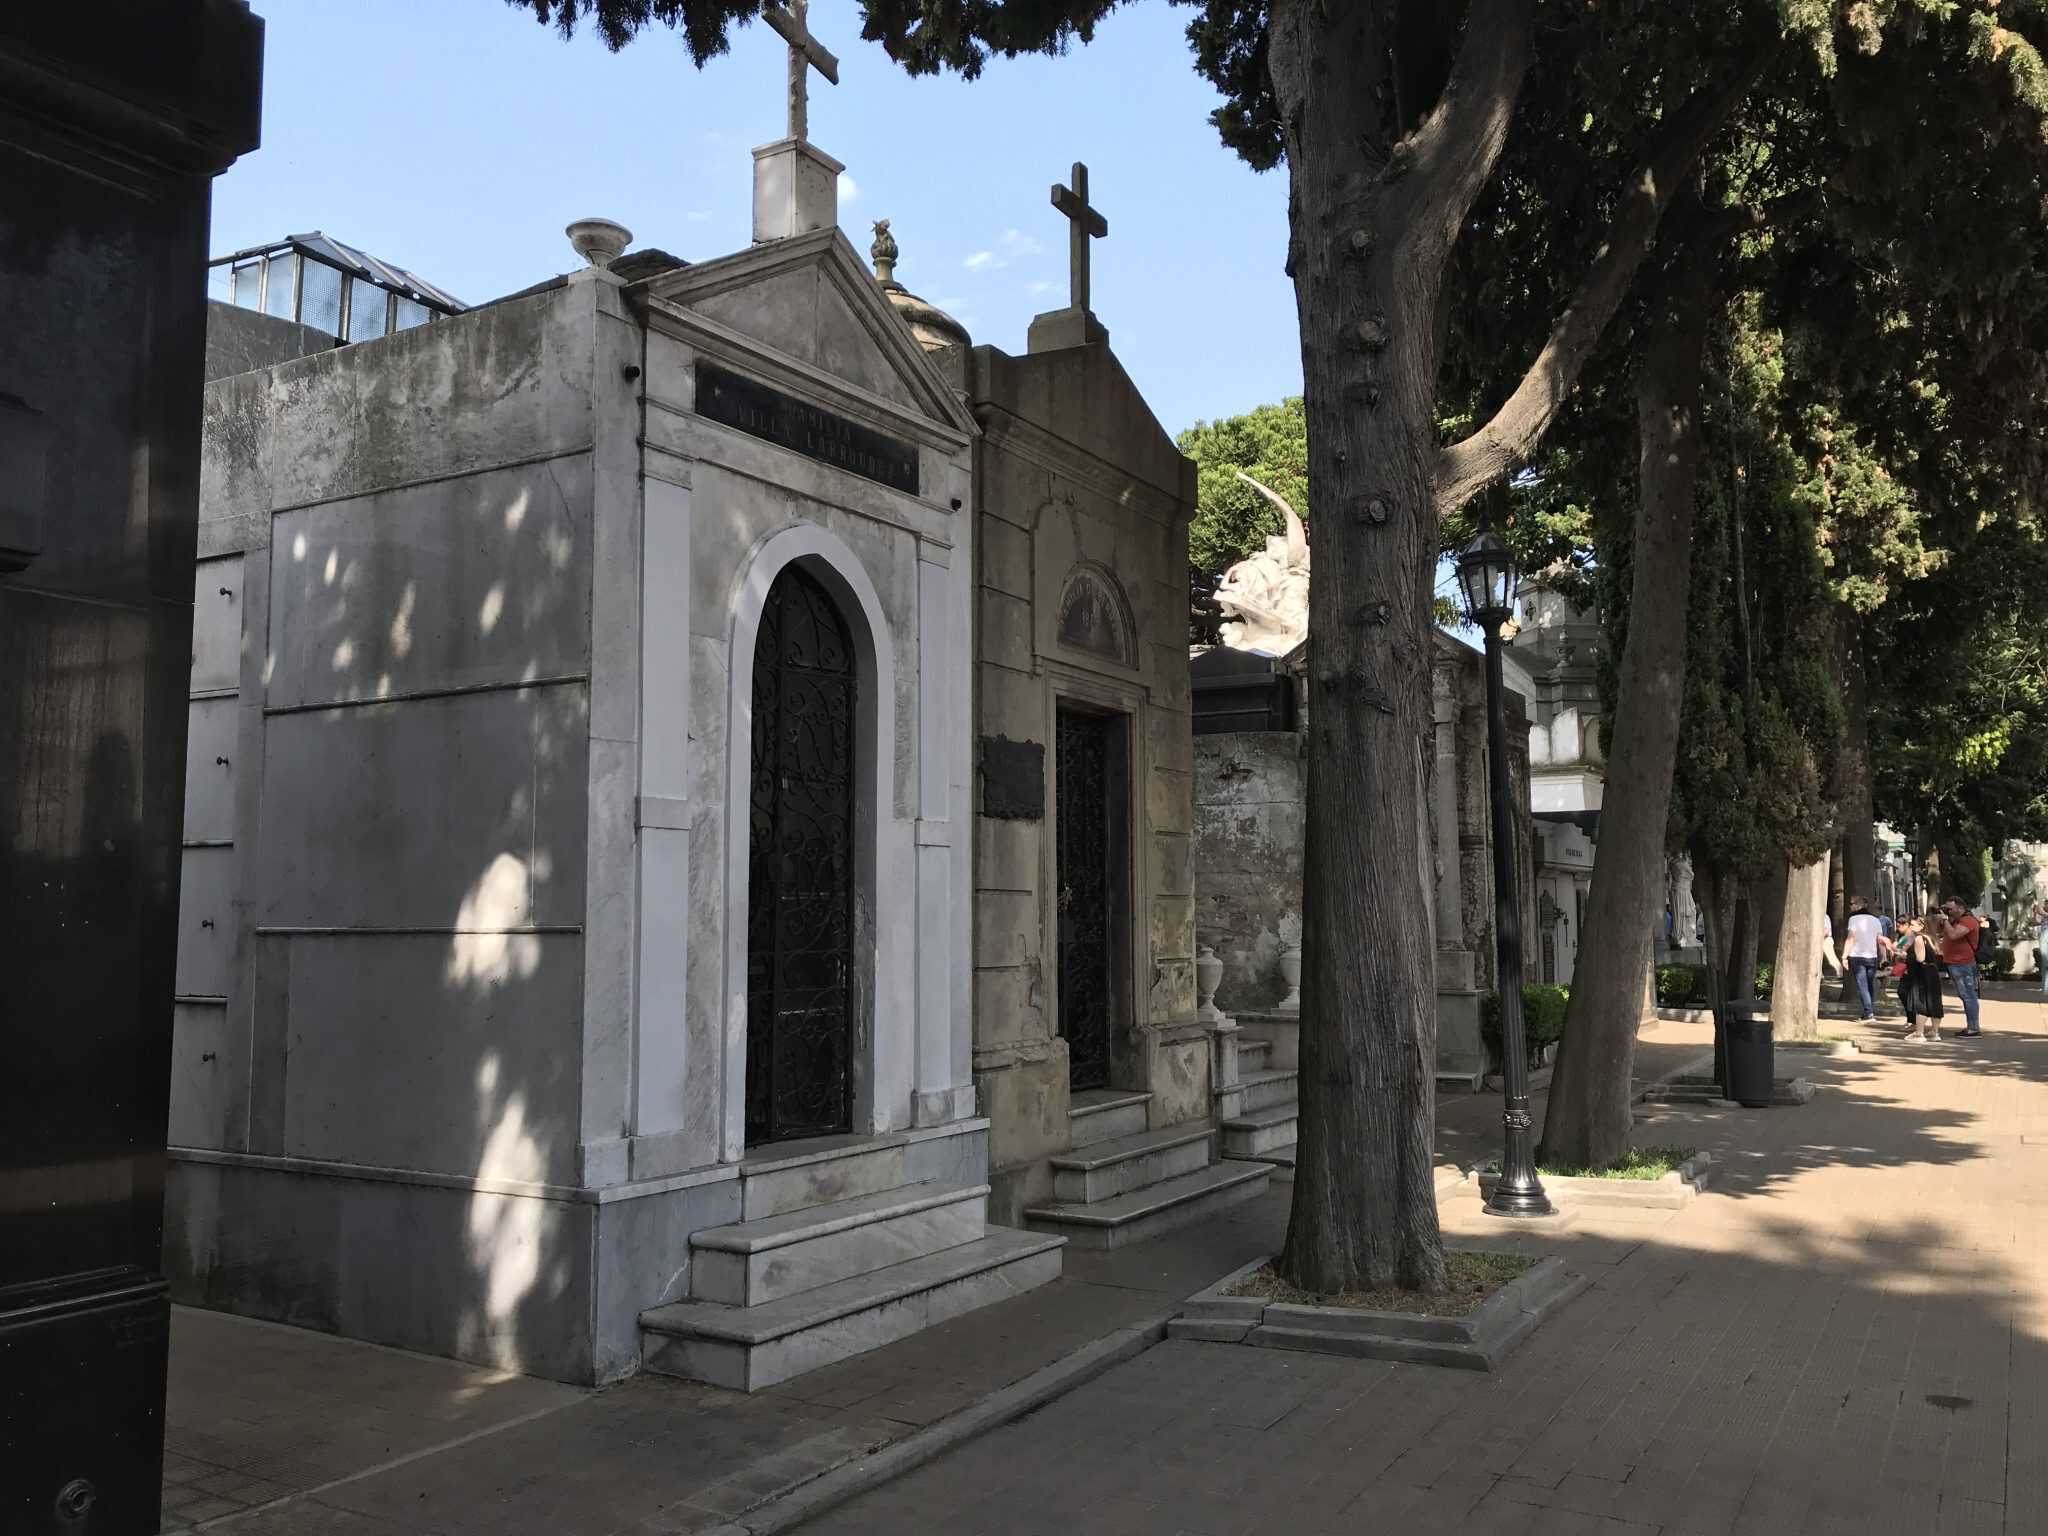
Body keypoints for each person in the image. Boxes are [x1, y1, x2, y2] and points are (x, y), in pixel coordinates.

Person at [1933, 898, 1984, 1037]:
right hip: (1954, 963)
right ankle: (1971, 1026)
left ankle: (1974, 1028)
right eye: (1947, 908)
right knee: (1964, 995)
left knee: (1968, 996)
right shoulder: (1953, 921)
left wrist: (1945, 920)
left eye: (1950, 908)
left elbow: (1954, 935)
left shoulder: (1968, 921)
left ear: (1960, 908)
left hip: (1964, 964)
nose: (1948, 911)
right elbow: (1937, 932)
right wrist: (1941, 919)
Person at [1894, 916, 1945, 1042]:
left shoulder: (1918, 938)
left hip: (1922, 972)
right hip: (1933, 971)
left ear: (1922, 926)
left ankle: (1919, 1033)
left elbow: (1920, 958)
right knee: (1934, 1001)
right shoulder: (1932, 938)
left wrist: (1906, 957)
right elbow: (1939, 953)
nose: (1910, 927)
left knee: (1921, 1001)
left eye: (1913, 924)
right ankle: (1934, 1031)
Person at [1843, 896, 1889, 1023]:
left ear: (1859, 906)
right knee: (1869, 985)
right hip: (1872, 957)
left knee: (1862, 985)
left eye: (1851, 904)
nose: (1850, 906)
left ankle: (1868, 1013)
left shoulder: (1853, 919)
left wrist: (1844, 956)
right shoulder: (1876, 920)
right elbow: (1881, 940)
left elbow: (1851, 938)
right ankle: (1869, 1011)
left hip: (1857, 956)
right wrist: (1883, 956)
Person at [1820, 912, 1844, 978]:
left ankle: (1841, 973)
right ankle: (1820, 975)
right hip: (1819, 940)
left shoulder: (1824, 916)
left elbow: (1827, 929)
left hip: (1825, 940)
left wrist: (1819, 938)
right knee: (1817, 959)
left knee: (1831, 959)